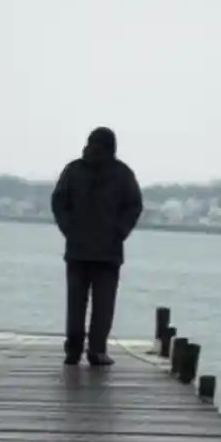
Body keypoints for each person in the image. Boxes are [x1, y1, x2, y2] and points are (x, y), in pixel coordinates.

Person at [50, 126, 143, 366]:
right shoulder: (121, 173)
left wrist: (69, 229)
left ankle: (74, 350)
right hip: (105, 251)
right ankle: (96, 350)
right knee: (103, 305)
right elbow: (134, 206)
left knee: (77, 303)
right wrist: (119, 231)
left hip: (83, 249)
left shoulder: (75, 170)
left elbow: (59, 203)